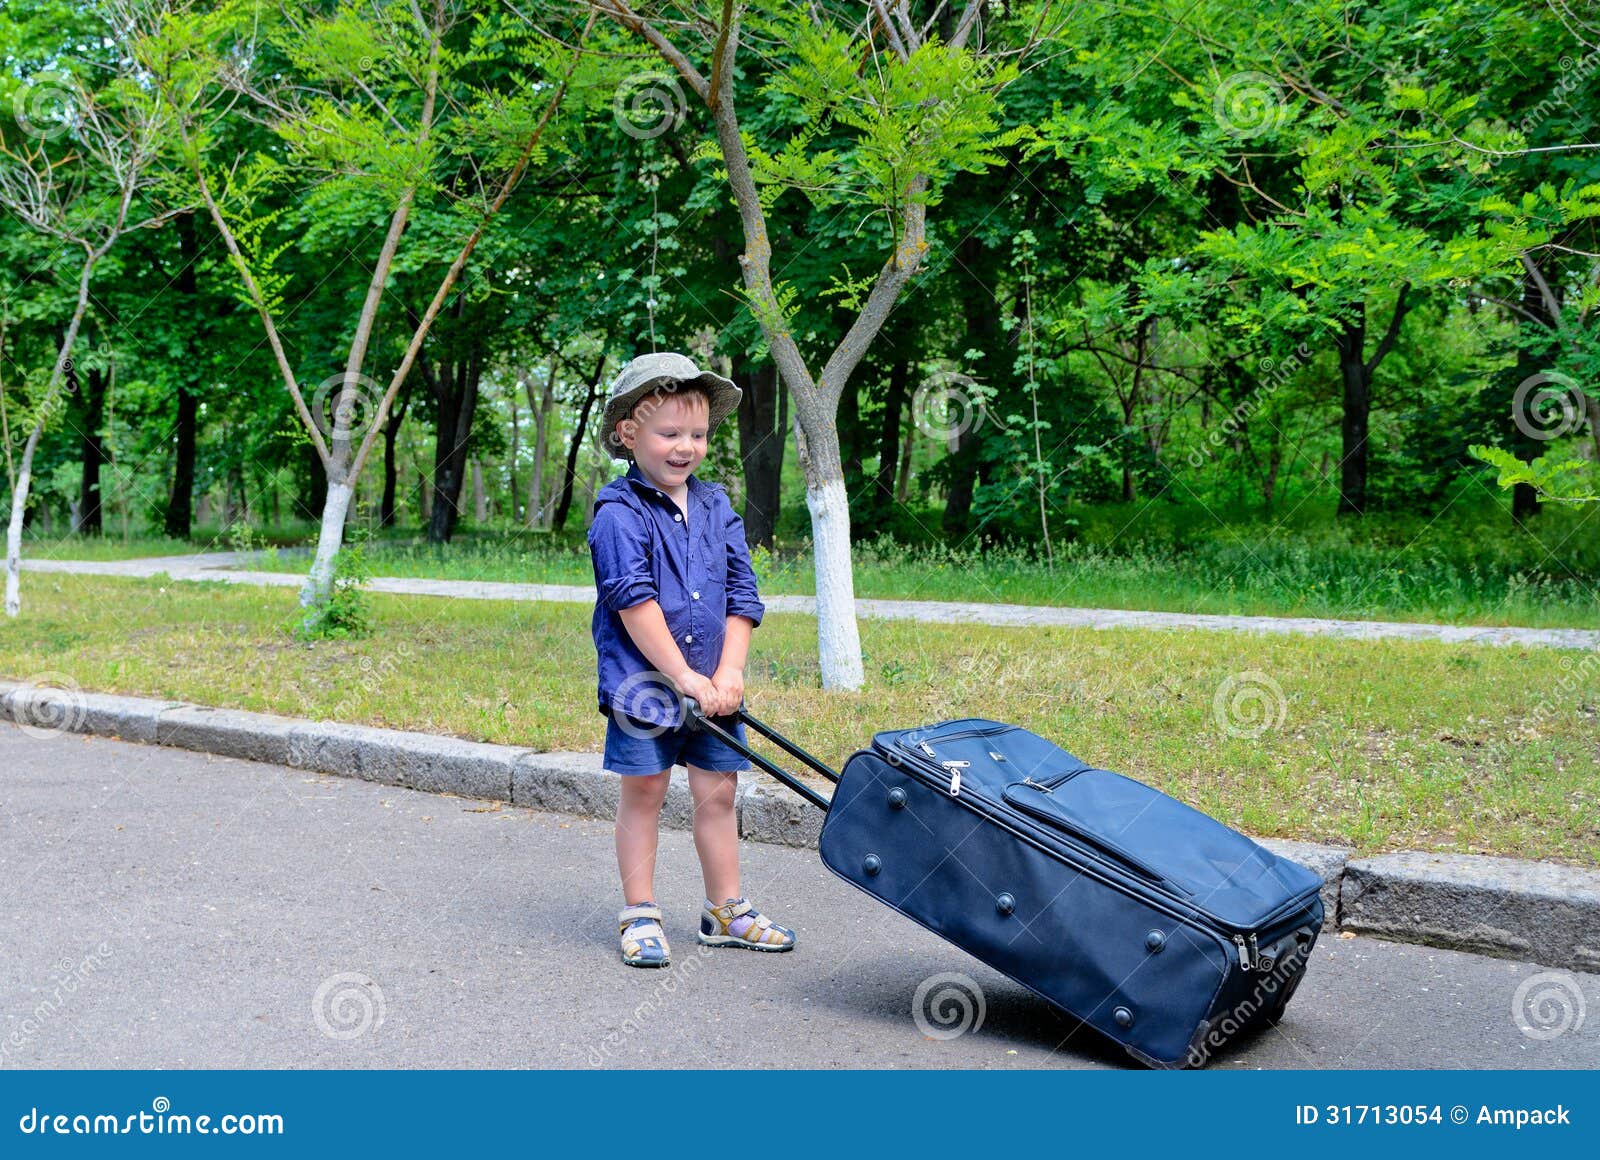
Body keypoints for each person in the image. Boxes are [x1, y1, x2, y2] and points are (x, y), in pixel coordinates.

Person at [587, 352, 796, 968]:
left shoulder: (715, 506)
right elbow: (633, 602)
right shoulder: (618, 515)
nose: (686, 447)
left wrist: (728, 673)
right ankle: (641, 912)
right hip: (645, 687)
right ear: (629, 434)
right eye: (669, 433)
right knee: (645, 792)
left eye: (698, 435)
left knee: (719, 795)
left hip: (714, 689)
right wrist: (683, 677)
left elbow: (742, 593)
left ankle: (725, 910)